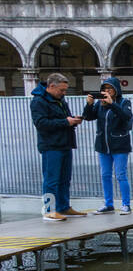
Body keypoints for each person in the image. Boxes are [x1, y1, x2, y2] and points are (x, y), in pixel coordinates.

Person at [29, 72, 84, 221]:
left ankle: (63, 206)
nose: (64, 93)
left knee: (65, 178)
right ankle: (48, 210)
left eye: (65, 90)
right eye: (62, 90)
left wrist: (73, 120)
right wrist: (66, 122)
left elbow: (64, 118)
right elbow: (41, 124)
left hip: (65, 143)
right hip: (51, 145)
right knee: (51, 179)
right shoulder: (38, 102)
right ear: (51, 86)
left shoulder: (60, 99)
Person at [82, 77, 133, 215]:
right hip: (103, 145)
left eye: (109, 89)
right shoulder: (100, 104)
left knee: (121, 174)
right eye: (104, 89)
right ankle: (108, 204)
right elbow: (87, 117)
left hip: (119, 144)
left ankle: (126, 204)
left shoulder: (124, 102)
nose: (106, 92)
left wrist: (112, 104)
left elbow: (126, 117)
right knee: (105, 175)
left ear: (116, 90)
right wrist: (89, 104)